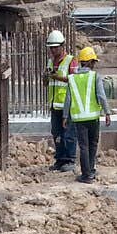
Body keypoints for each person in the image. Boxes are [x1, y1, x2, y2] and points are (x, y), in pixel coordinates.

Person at [62, 45, 112, 184]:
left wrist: (65, 116)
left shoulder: (72, 79)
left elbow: (68, 99)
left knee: (84, 146)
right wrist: (107, 112)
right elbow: (101, 96)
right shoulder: (95, 76)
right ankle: (90, 170)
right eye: (94, 62)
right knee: (93, 144)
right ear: (90, 62)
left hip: (79, 119)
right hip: (93, 118)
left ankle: (87, 175)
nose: (95, 65)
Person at [44, 28, 76, 171]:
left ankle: (70, 159)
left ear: (62, 46)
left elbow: (75, 81)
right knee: (56, 133)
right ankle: (60, 159)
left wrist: (57, 77)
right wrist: (46, 77)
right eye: (51, 48)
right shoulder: (50, 62)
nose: (52, 50)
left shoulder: (71, 60)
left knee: (68, 133)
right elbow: (46, 83)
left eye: (55, 47)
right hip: (54, 104)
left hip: (66, 105)